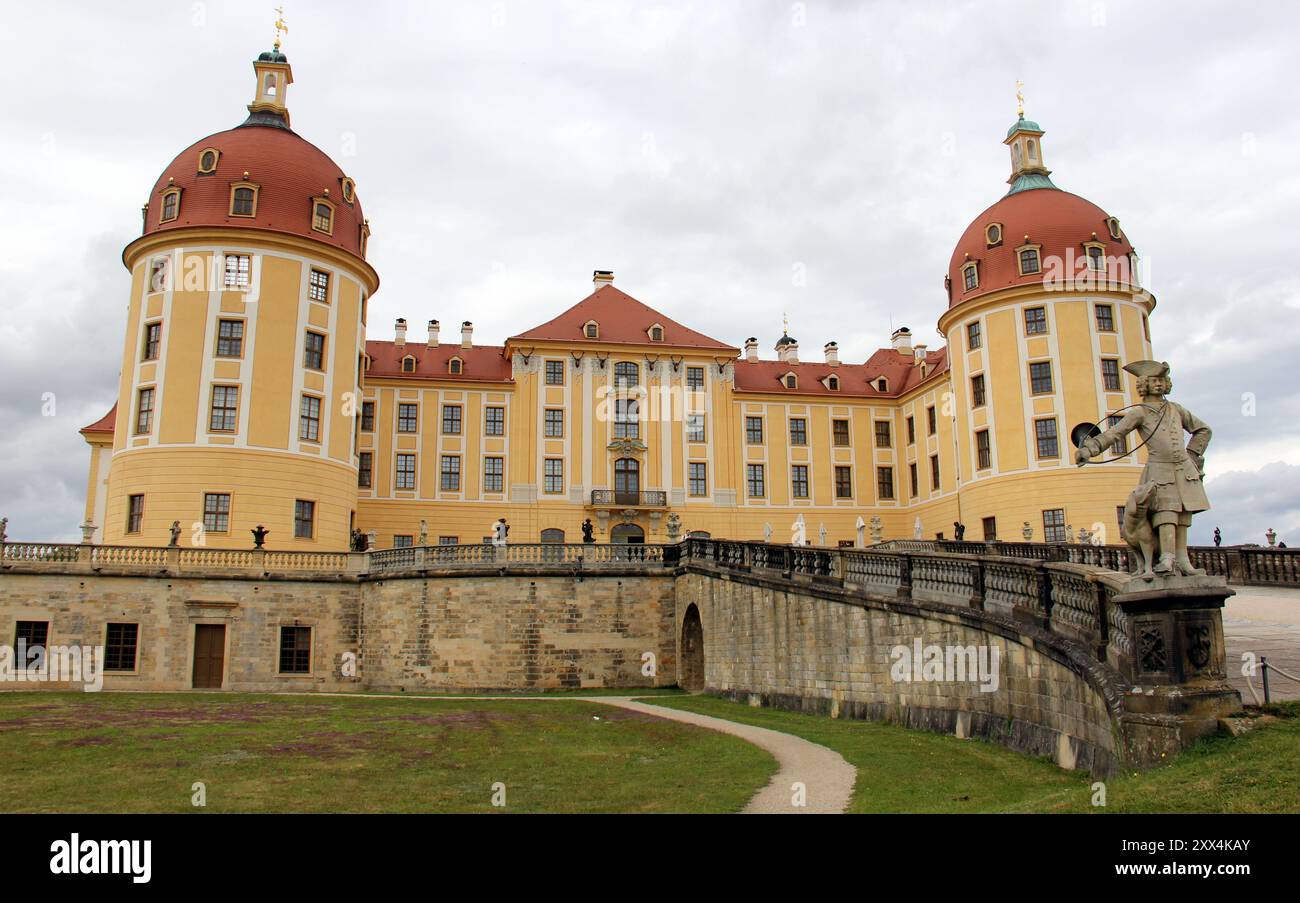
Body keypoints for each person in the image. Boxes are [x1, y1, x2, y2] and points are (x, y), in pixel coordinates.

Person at [1075, 360, 1210, 576]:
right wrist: (1090, 448)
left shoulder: (1176, 410)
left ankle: (1183, 560)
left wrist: (1192, 455)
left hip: (1183, 468)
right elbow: (1114, 433)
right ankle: (1167, 558)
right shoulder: (1140, 413)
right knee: (1167, 513)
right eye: (1153, 381)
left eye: (1161, 380)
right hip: (1160, 469)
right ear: (1144, 384)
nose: (1158, 384)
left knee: (1183, 515)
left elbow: (1203, 430)